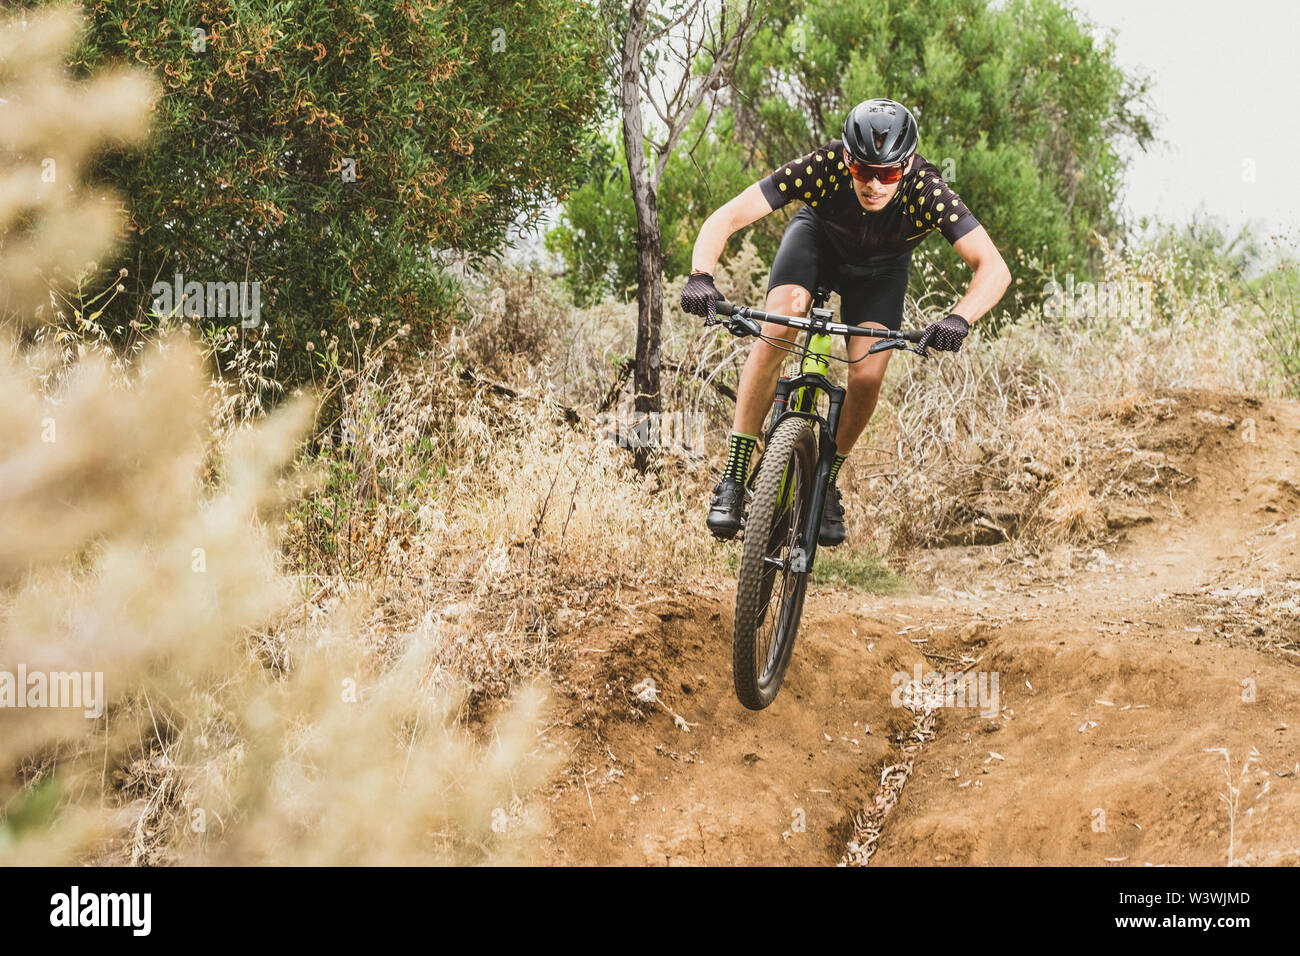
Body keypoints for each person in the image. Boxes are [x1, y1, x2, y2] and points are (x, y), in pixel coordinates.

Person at [680, 97, 1011, 544]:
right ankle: (735, 476)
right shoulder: (822, 165)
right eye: (863, 171)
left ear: (907, 164)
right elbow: (729, 215)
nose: (875, 184)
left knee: (869, 373)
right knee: (780, 323)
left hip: (881, 273)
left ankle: (825, 480)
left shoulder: (928, 189)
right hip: (816, 245)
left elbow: (993, 268)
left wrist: (960, 317)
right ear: (847, 159)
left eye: (889, 173)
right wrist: (701, 275)